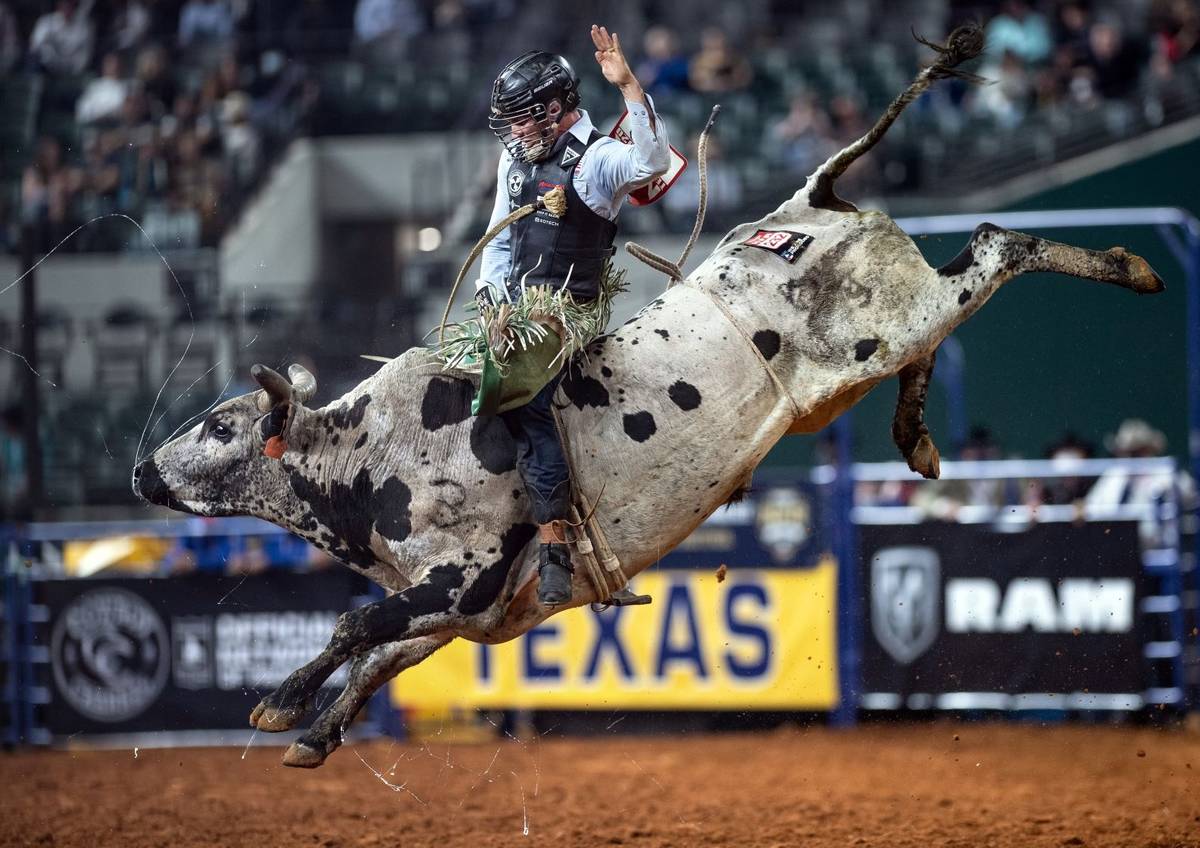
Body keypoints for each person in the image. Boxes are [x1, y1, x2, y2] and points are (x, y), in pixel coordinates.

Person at [476, 25, 671, 605]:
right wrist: (490, 297)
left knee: (526, 400)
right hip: (513, 314)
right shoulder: (513, 162)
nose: (514, 132)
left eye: (521, 120)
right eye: (510, 122)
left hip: (569, 313)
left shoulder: (598, 161)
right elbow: (499, 239)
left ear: (555, 111)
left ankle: (555, 549)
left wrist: (629, 86)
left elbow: (652, 161)